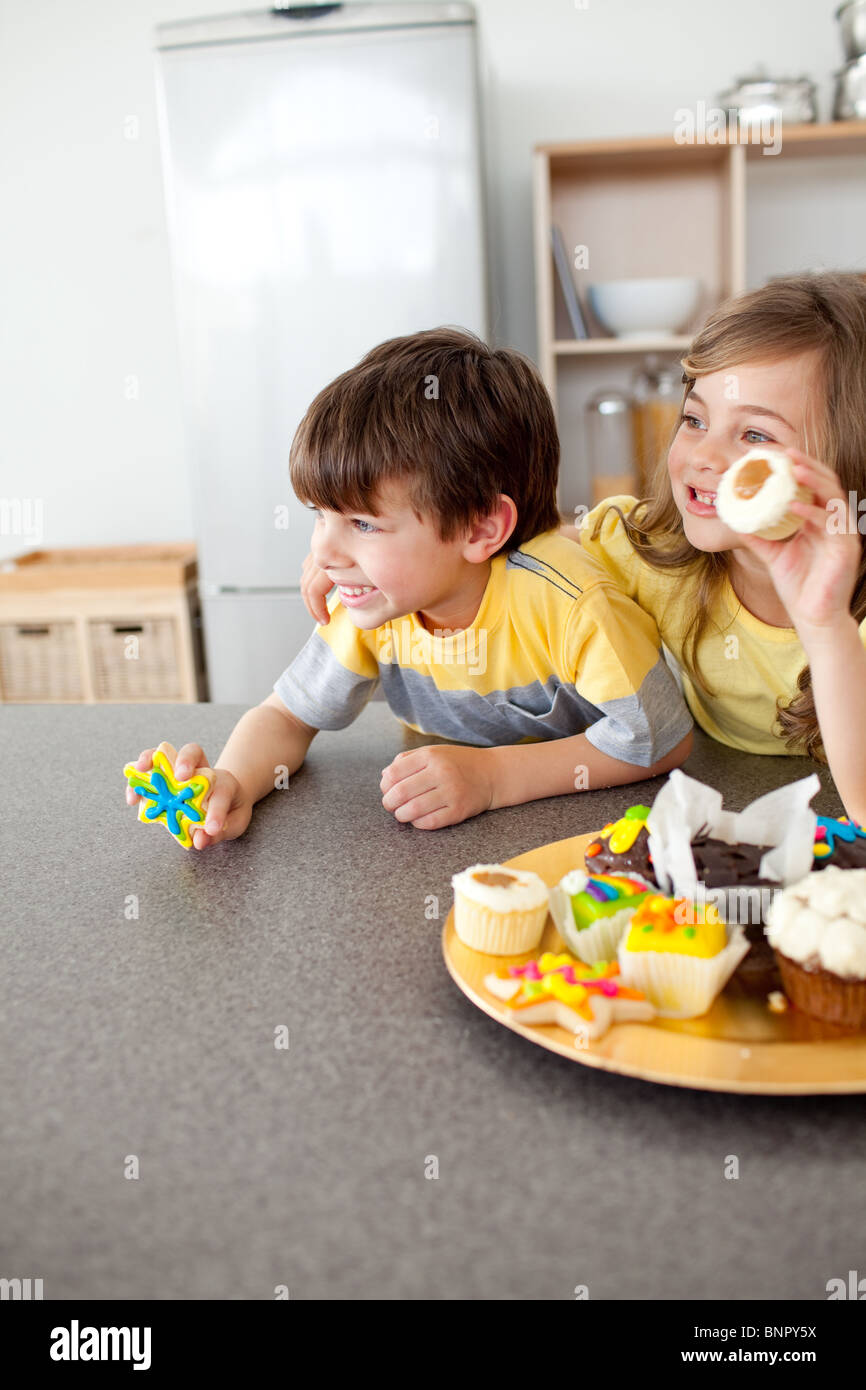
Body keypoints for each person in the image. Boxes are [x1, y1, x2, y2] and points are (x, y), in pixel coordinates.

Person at [302, 274, 866, 826]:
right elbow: (509, 549)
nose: (704, 456)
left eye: (756, 436)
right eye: (695, 419)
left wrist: (824, 626)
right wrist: (352, 548)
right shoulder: (642, 547)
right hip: (713, 791)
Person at [125, 328, 693, 845]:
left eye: (363, 524)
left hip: (590, 835)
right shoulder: (376, 601)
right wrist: (233, 783)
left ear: (479, 527)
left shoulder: (572, 607)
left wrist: (493, 779)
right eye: (321, 515)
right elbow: (287, 716)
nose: (322, 552)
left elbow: (660, 740)